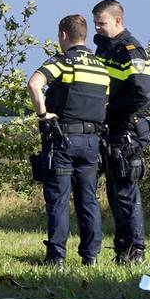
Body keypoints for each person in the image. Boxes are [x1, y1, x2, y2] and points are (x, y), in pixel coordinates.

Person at [27, 14, 110, 266]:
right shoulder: (100, 67)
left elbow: (34, 84)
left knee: (59, 200)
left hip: (63, 139)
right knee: (88, 200)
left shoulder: (63, 62)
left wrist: (44, 115)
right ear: (84, 35)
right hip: (91, 142)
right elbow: (105, 102)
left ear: (64, 35)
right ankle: (91, 257)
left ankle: (56, 258)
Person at [91, 0, 150, 265]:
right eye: (95, 23)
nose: (97, 27)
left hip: (126, 128)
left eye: (101, 23)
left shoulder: (131, 50)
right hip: (110, 128)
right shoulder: (105, 50)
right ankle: (122, 249)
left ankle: (135, 250)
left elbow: (142, 92)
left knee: (126, 191)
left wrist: (111, 110)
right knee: (115, 194)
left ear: (118, 21)